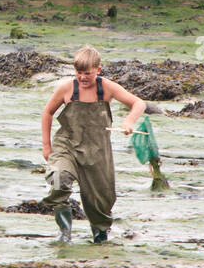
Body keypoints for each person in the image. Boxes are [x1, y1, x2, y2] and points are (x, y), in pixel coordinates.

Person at [40, 46, 146, 243]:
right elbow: (47, 112)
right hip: (67, 145)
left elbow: (139, 104)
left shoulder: (107, 87)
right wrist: (46, 146)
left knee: (101, 199)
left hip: (97, 149)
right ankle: (64, 232)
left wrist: (129, 121)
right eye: (78, 73)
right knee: (57, 179)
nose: (82, 77)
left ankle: (100, 235)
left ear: (98, 70)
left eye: (87, 73)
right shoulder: (66, 88)